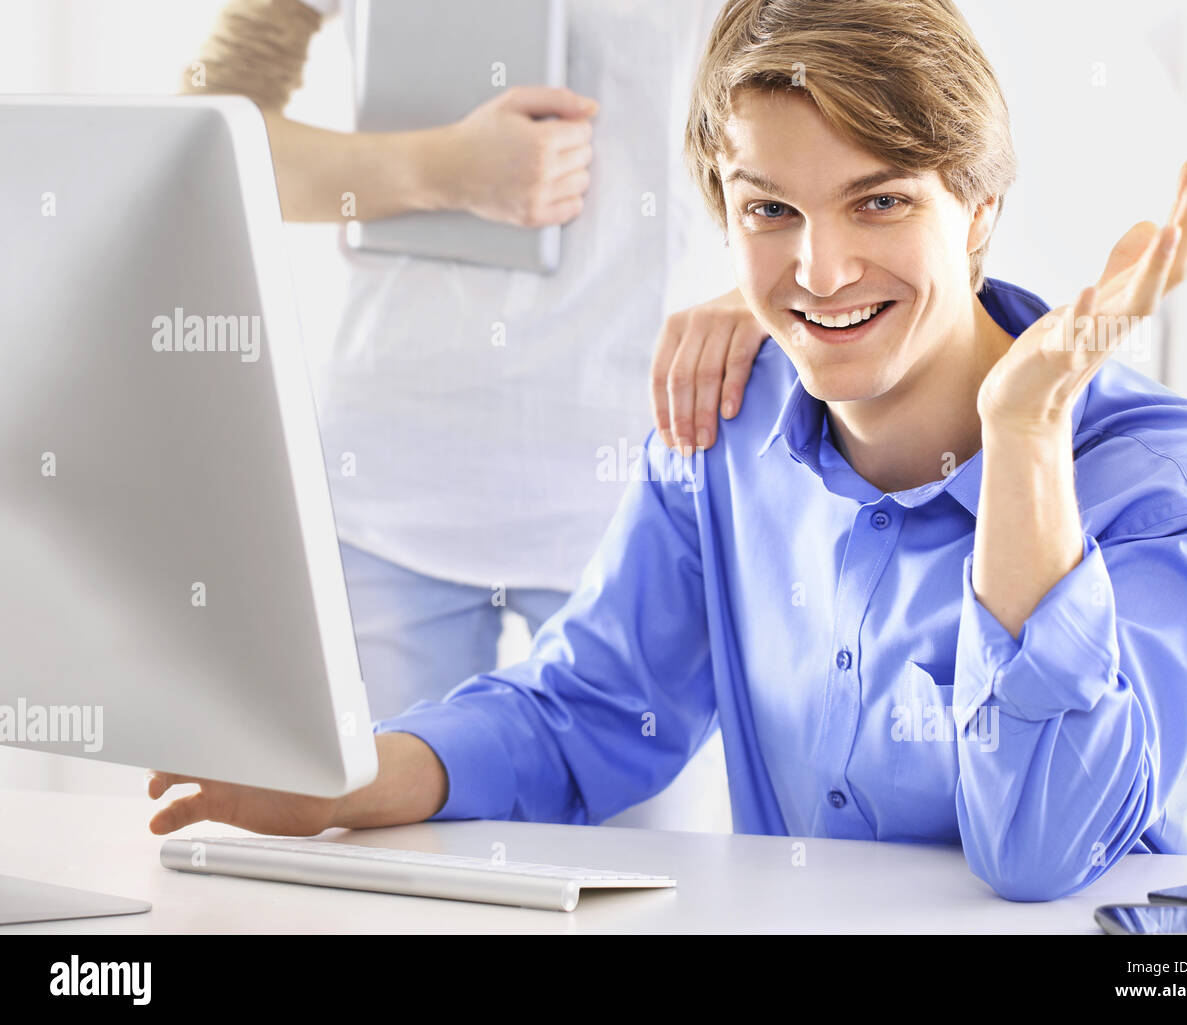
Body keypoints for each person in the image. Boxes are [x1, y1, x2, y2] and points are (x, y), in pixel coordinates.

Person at [153, 0, 1187, 902]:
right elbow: (584, 709)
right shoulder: (725, 439)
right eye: (771, 210)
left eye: (879, 202)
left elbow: (1039, 850)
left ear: (978, 208)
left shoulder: (1166, 484)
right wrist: (348, 782)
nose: (823, 268)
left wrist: (1023, 436)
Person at [178, 0, 763, 828]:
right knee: (372, 875)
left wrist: (762, 296)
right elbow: (207, 136)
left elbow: (884, 118)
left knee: (642, 894)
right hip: (388, 490)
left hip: (645, 493)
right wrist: (442, 169)